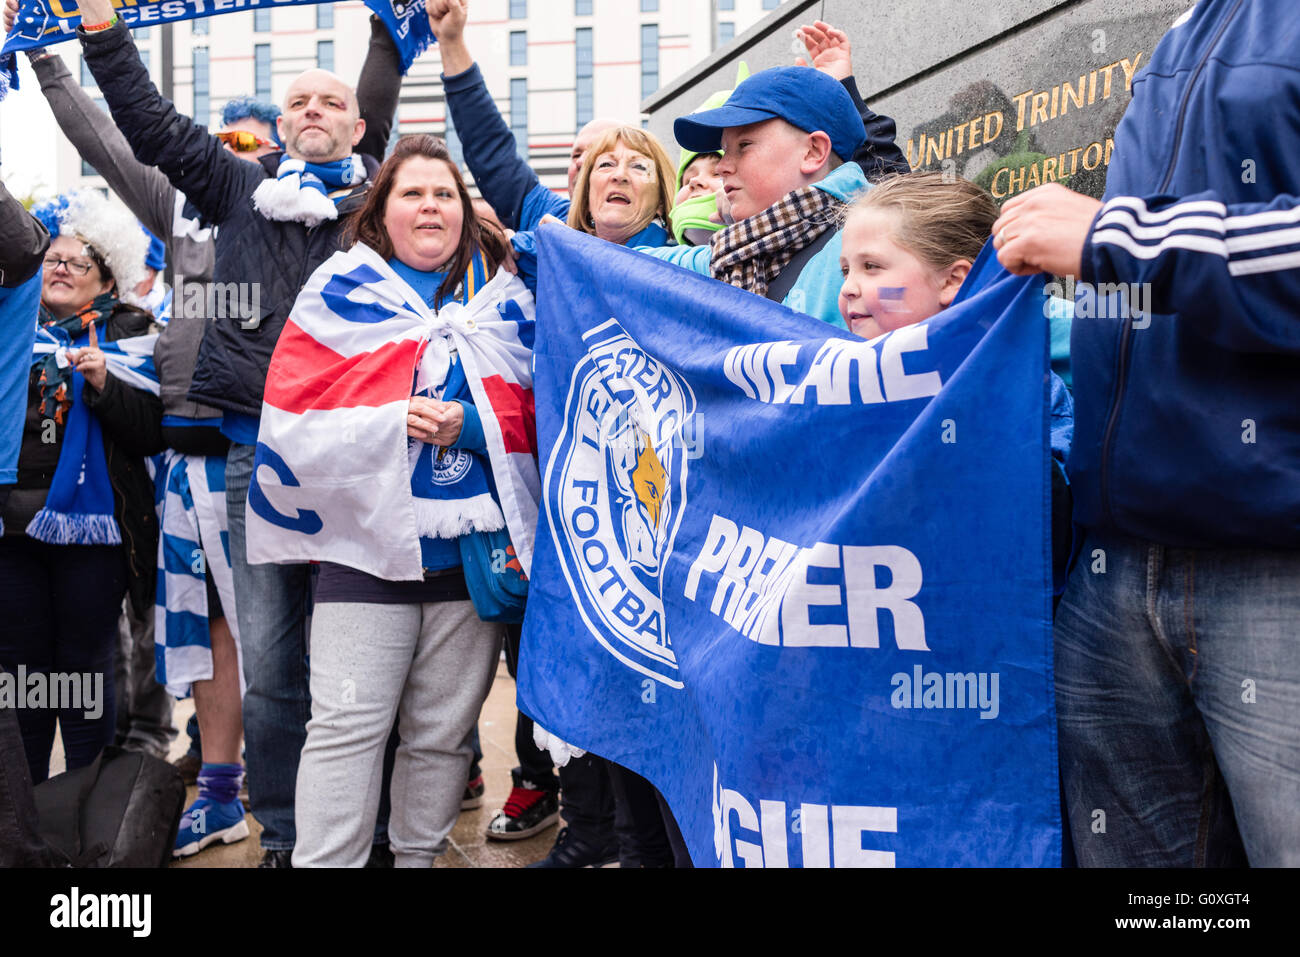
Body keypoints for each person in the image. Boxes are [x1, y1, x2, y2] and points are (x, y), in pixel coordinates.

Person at [70, 0, 400, 867]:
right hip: (257, 454)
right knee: (272, 664)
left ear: (361, 127)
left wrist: (394, 31)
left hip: (360, 458)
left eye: (332, 103)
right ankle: (289, 838)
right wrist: (102, 31)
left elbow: (386, 80)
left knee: (358, 664)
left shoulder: (379, 204)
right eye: (300, 104)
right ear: (281, 127)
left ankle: (363, 836)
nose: (315, 112)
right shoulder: (238, 189)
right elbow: (147, 123)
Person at [992, 0, 1300, 867]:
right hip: (1117, 560)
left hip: (1275, 561)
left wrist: (1114, 235)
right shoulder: (1180, 33)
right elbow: (1136, 295)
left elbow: (1124, 248)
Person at [282, 134, 525, 867]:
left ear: (465, 212)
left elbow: (542, 412)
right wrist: (386, 420)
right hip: (364, 557)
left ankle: (415, 858)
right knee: (345, 726)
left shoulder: (504, 300)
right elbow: (295, 420)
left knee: (443, 734)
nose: (429, 205)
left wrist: (471, 424)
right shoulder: (337, 293)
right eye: (412, 193)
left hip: (469, 562)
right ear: (381, 212)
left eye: (444, 193)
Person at [0, 190, 160, 784]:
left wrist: (104, 385)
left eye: (77, 262)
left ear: (109, 279)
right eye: (51, 259)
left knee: (85, 670)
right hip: (11, 531)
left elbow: (150, 434)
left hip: (93, 538)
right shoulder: (11, 331)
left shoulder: (134, 333)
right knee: (23, 674)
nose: (60, 269)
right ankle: (30, 811)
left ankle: (87, 805)